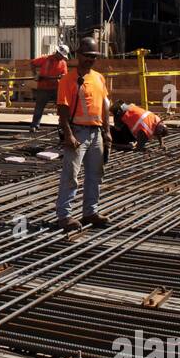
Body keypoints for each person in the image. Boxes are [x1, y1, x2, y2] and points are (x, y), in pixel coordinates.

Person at [55, 37, 113, 231]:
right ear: (78, 55)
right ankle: (64, 216)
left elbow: (104, 106)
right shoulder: (68, 79)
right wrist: (68, 134)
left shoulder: (98, 78)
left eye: (94, 56)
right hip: (77, 132)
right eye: (87, 55)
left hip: (96, 132)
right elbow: (62, 108)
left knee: (96, 174)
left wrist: (107, 131)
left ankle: (90, 212)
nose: (90, 59)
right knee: (71, 175)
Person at [30, 44, 70, 134]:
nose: (62, 58)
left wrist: (62, 77)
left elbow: (65, 75)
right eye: (61, 55)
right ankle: (34, 126)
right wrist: (35, 74)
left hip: (56, 88)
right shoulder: (45, 59)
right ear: (57, 53)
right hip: (43, 88)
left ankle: (63, 125)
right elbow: (32, 63)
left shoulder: (63, 63)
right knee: (39, 108)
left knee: (61, 107)